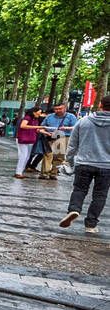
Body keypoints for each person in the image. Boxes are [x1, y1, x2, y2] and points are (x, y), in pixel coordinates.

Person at [59, 96, 110, 234]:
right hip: (106, 165)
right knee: (100, 195)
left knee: (79, 190)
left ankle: (74, 210)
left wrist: (68, 159)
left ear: (100, 104)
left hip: (84, 162)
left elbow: (73, 144)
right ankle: (91, 225)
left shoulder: (84, 121)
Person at [40, 103, 78, 180]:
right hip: (50, 137)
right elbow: (41, 127)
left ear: (65, 109)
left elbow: (75, 128)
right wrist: (46, 133)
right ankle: (44, 173)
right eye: (56, 109)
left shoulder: (71, 117)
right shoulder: (49, 117)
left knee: (59, 157)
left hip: (64, 137)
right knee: (48, 155)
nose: (58, 111)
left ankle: (53, 173)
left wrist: (66, 128)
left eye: (60, 109)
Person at [15, 107, 43, 179]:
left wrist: (46, 132)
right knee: (23, 156)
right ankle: (18, 172)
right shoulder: (27, 118)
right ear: (34, 112)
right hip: (23, 139)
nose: (39, 114)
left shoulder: (35, 119)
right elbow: (23, 126)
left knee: (27, 156)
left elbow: (36, 129)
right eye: (39, 112)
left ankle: (21, 171)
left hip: (30, 139)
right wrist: (37, 126)